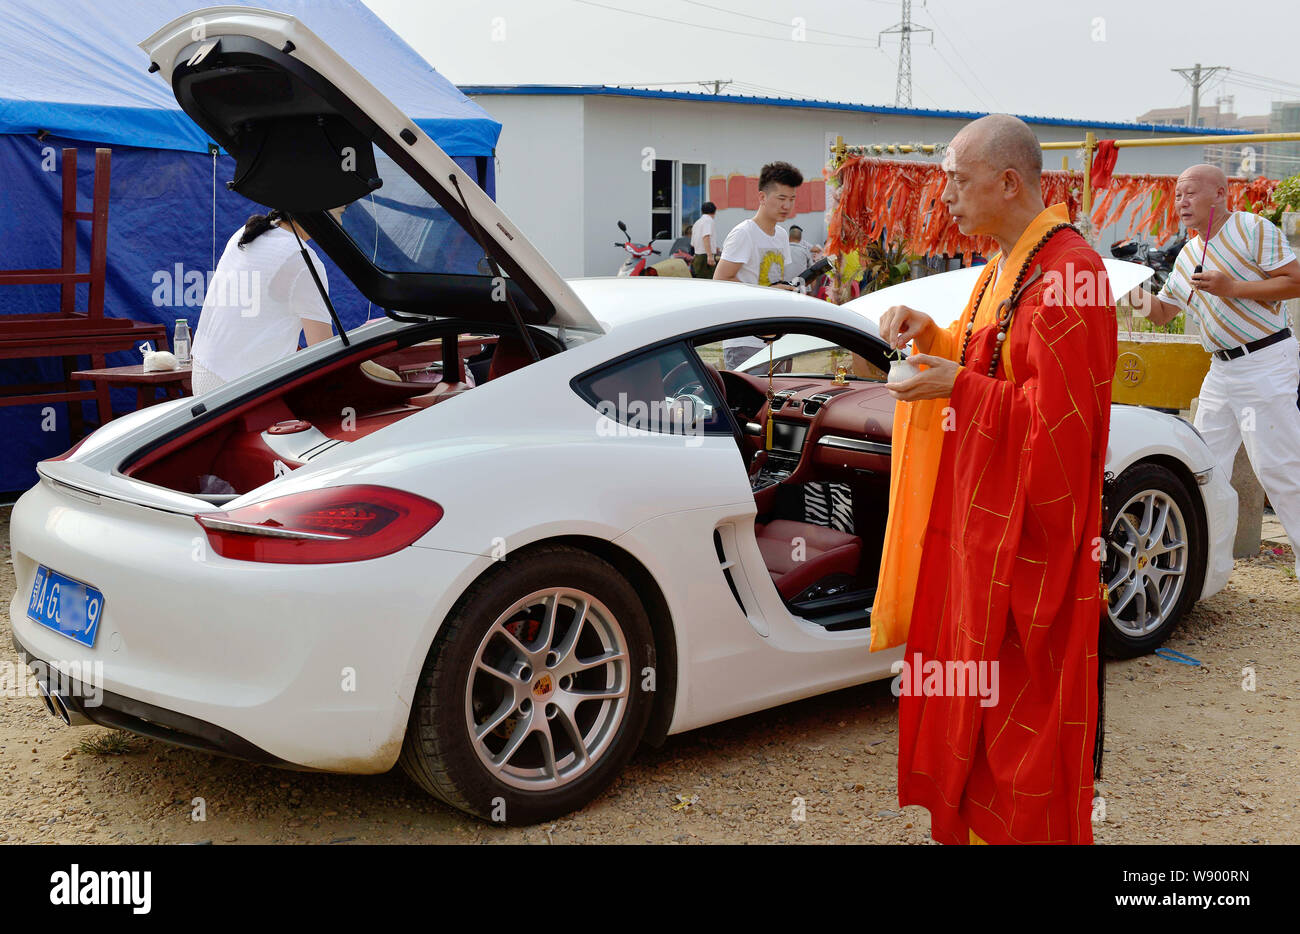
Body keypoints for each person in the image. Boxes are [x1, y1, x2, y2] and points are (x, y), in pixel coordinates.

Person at [872, 114, 1117, 845]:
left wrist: (959, 388)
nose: (944, 194)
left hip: (1031, 548)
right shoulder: (1007, 265)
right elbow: (997, 365)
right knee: (975, 714)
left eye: (956, 177)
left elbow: (1063, 434)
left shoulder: (1070, 272)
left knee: (1024, 730)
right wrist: (935, 340)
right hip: (983, 533)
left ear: (1008, 181)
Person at [1128, 164, 1300, 578]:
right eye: (1177, 195)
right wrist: (1128, 289)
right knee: (1204, 467)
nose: (1181, 202)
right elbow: (1165, 312)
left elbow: (1295, 281)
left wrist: (1233, 287)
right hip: (1220, 371)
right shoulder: (1188, 253)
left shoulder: (1252, 228)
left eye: (1189, 193)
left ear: (1220, 194)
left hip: (1265, 361)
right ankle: (1205, 568)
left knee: (1280, 469)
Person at [189, 208, 336, 395]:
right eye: (339, 214)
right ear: (318, 209)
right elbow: (323, 352)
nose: (340, 224)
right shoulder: (303, 259)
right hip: (243, 391)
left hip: (204, 374)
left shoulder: (246, 232)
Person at [715, 161, 802, 369]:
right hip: (745, 339)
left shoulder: (781, 235)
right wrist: (767, 291)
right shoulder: (744, 233)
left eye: (791, 199)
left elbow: (775, 282)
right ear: (762, 197)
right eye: (781, 198)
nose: (787, 206)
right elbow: (720, 280)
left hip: (776, 336)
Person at [690, 201, 718, 279]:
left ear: (702, 211)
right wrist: (710, 256)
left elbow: (692, 243)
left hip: (697, 256)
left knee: (699, 281)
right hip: (705, 257)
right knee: (708, 282)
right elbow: (706, 237)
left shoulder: (697, 222)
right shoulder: (708, 221)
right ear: (714, 211)